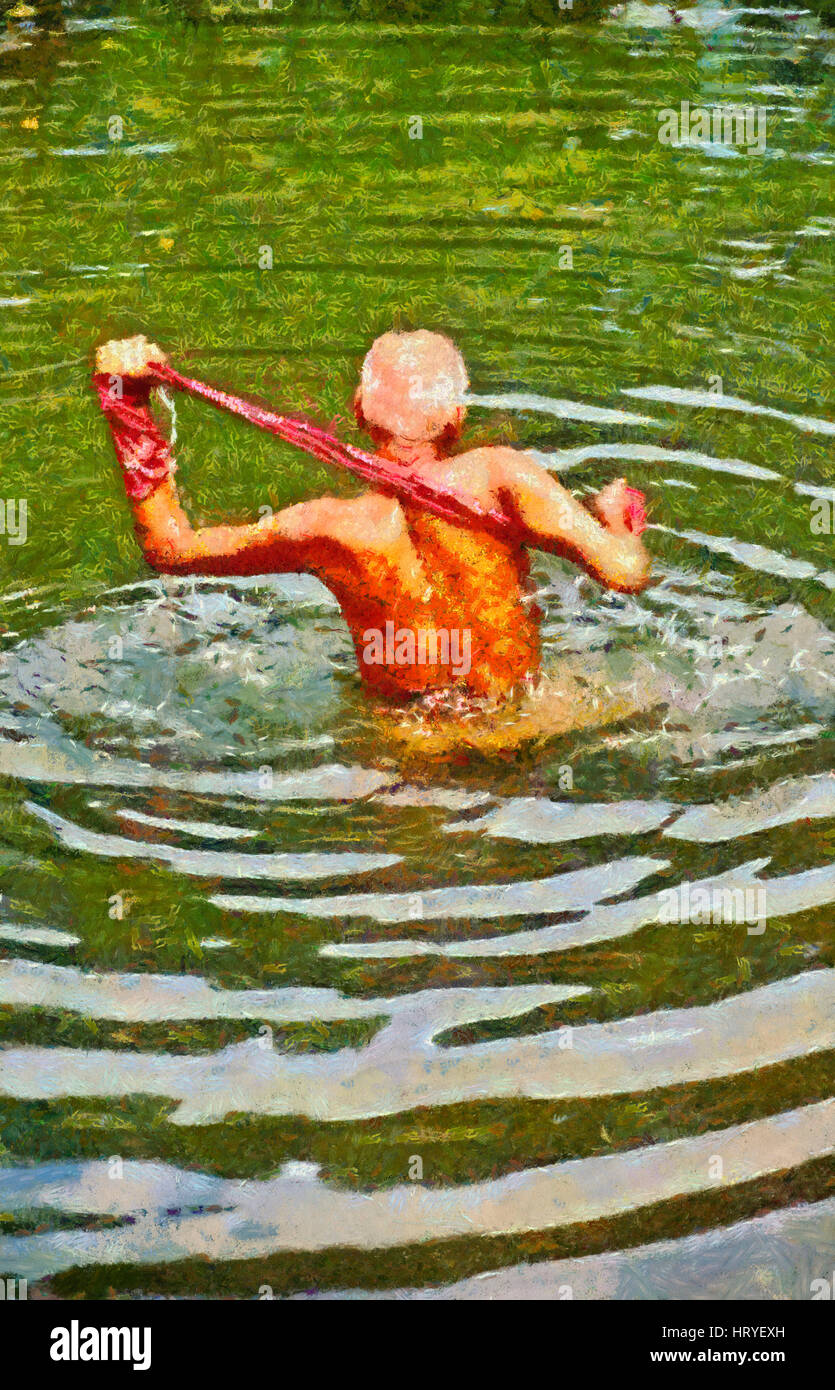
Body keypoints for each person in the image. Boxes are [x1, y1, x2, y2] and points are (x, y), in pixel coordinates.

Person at [94, 330, 650, 708]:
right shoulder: (501, 476)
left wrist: (125, 406)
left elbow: (170, 547)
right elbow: (627, 572)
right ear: (458, 417)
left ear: (359, 410)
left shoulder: (326, 527)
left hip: (408, 755)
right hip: (530, 728)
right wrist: (615, 521)